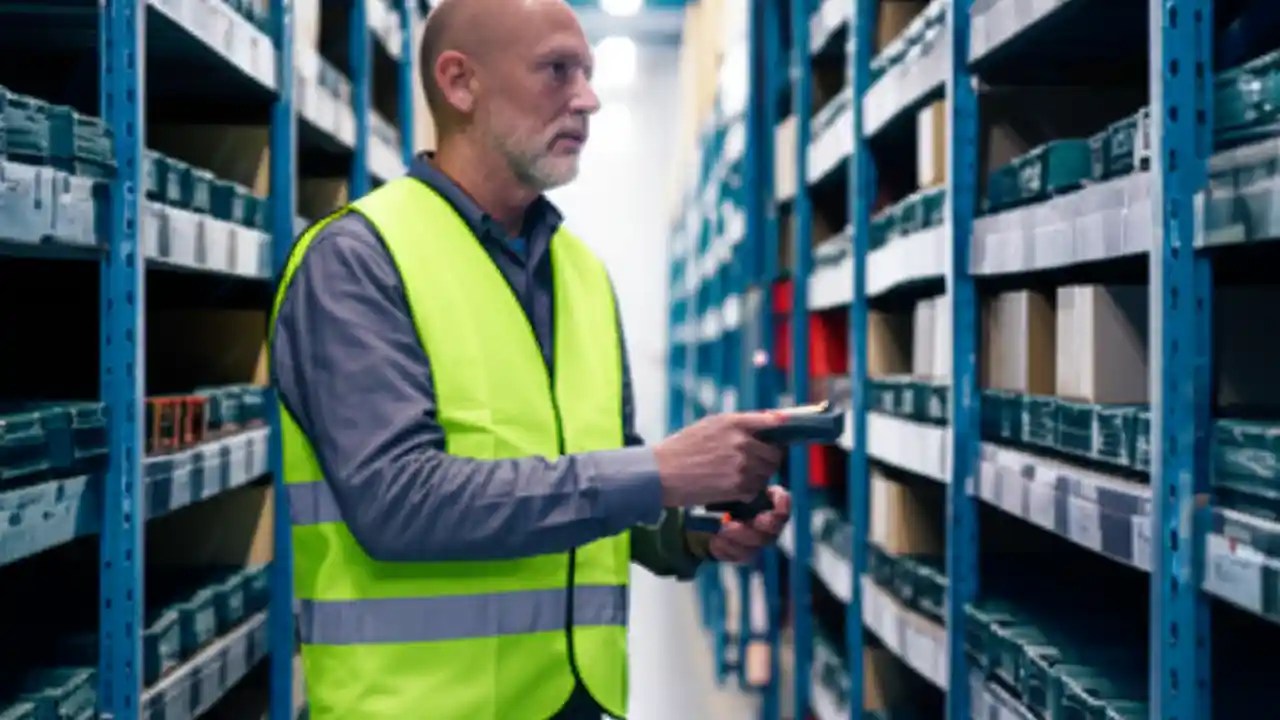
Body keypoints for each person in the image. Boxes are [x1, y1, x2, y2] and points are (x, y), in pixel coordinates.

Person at [268, 0, 793, 717]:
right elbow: (397, 503)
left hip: (579, 702)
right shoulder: (358, 261)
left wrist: (695, 532)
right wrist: (659, 472)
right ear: (460, 83)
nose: (588, 98)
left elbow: (590, 471)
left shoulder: (580, 274)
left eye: (588, 73)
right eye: (557, 71)